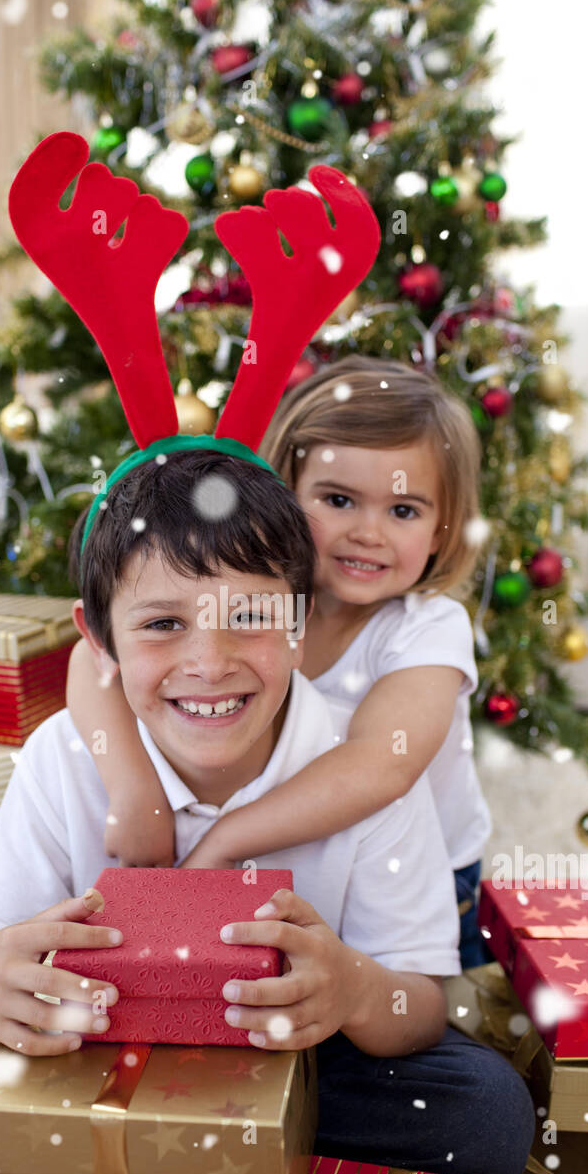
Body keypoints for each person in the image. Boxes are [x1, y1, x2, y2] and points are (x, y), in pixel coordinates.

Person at [0, 447, 534, 1174]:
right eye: (162, 625)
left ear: (299, 622)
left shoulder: (365, 772)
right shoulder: (66, 757)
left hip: (306, 1067)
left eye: (250, 619)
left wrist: (351, 988)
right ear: (101, 641)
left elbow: (422, 1006)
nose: (208, 664)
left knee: (487, 1112)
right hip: (93, 1061)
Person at [67, 355, 495, 969]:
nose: (367, 533)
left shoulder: (428, 628)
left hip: (418, 879)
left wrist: (223, 844)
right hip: (289, 868)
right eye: (338, 499)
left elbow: (382, 766)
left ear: (440, 530)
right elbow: (93, 662)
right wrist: (133, 790)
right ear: (282, 495)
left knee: (426, 1026)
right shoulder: (249, 604)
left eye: (403, 510)